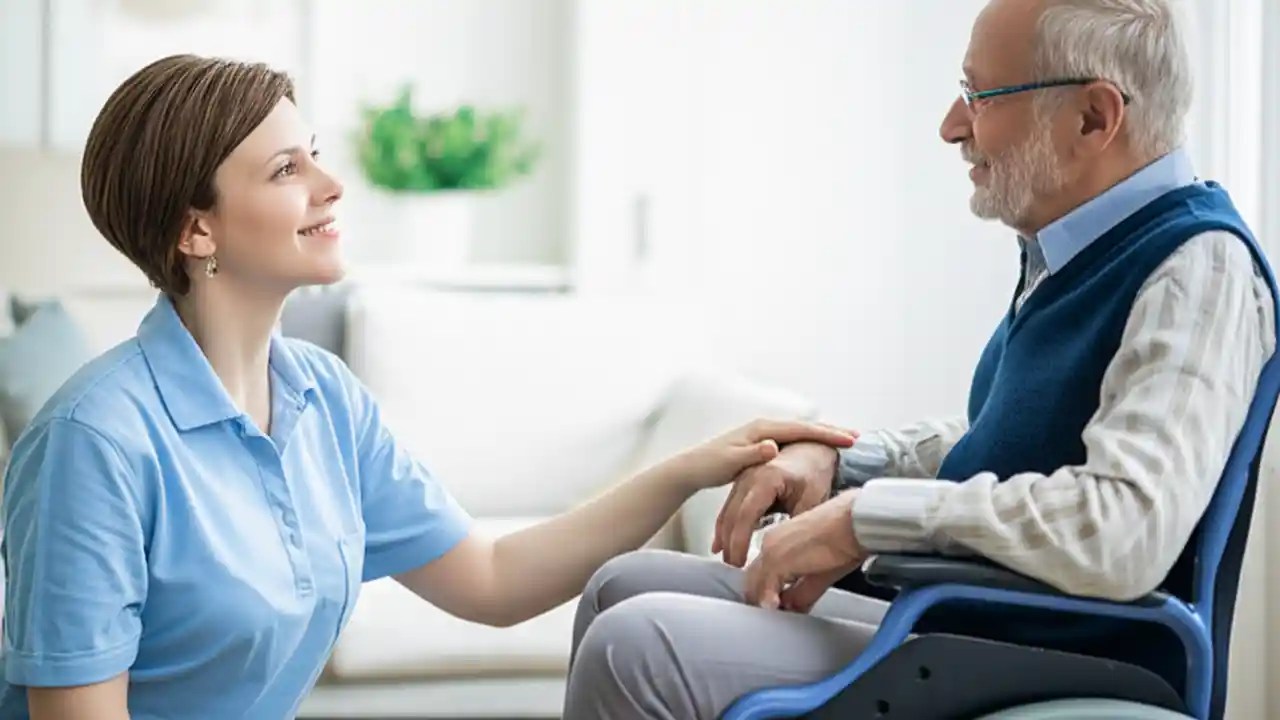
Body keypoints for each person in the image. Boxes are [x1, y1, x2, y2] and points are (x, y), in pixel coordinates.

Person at [0, 54, 858, 720]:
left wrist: (686, 468)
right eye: (285, 170)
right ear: (196, 229)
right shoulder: (93, 444)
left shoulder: (323, 399)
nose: (332, 188)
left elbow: (492, 578)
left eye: (317, 158)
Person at [562, 0, 1278, 717]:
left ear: (1094, 117)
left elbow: (1124, 527)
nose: (951, 126)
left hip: (1066, 652)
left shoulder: (1198, 270)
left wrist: (861, 519)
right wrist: (841, 465)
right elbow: (1000, 439)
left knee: (635, 643)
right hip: (982, 621)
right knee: (621, 584)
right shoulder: (1073, 256)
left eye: (979, 96)